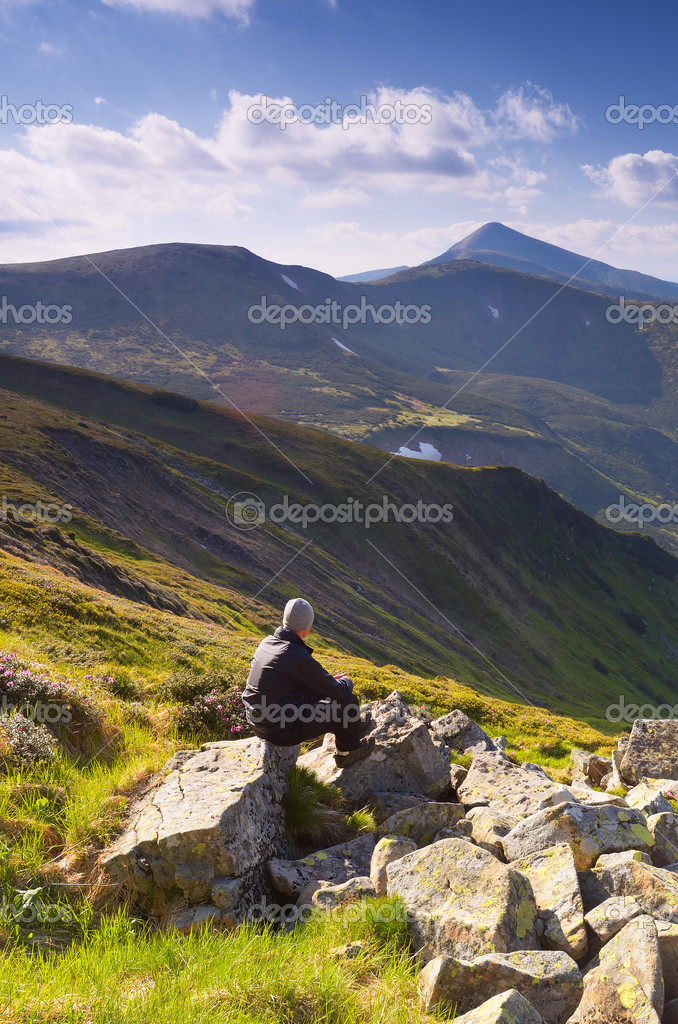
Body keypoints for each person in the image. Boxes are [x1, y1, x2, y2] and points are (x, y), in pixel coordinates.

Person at [242, 597, 375, 766]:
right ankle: (347, 752)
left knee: (327, 695)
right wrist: (346, 682)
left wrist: (328, 683)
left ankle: (351, 723)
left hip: (258, 721)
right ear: (307, 629)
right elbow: (338, 692)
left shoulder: (267, 642)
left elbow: (289, 683)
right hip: (279, 729)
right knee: (348, 702)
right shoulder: (295, 654)